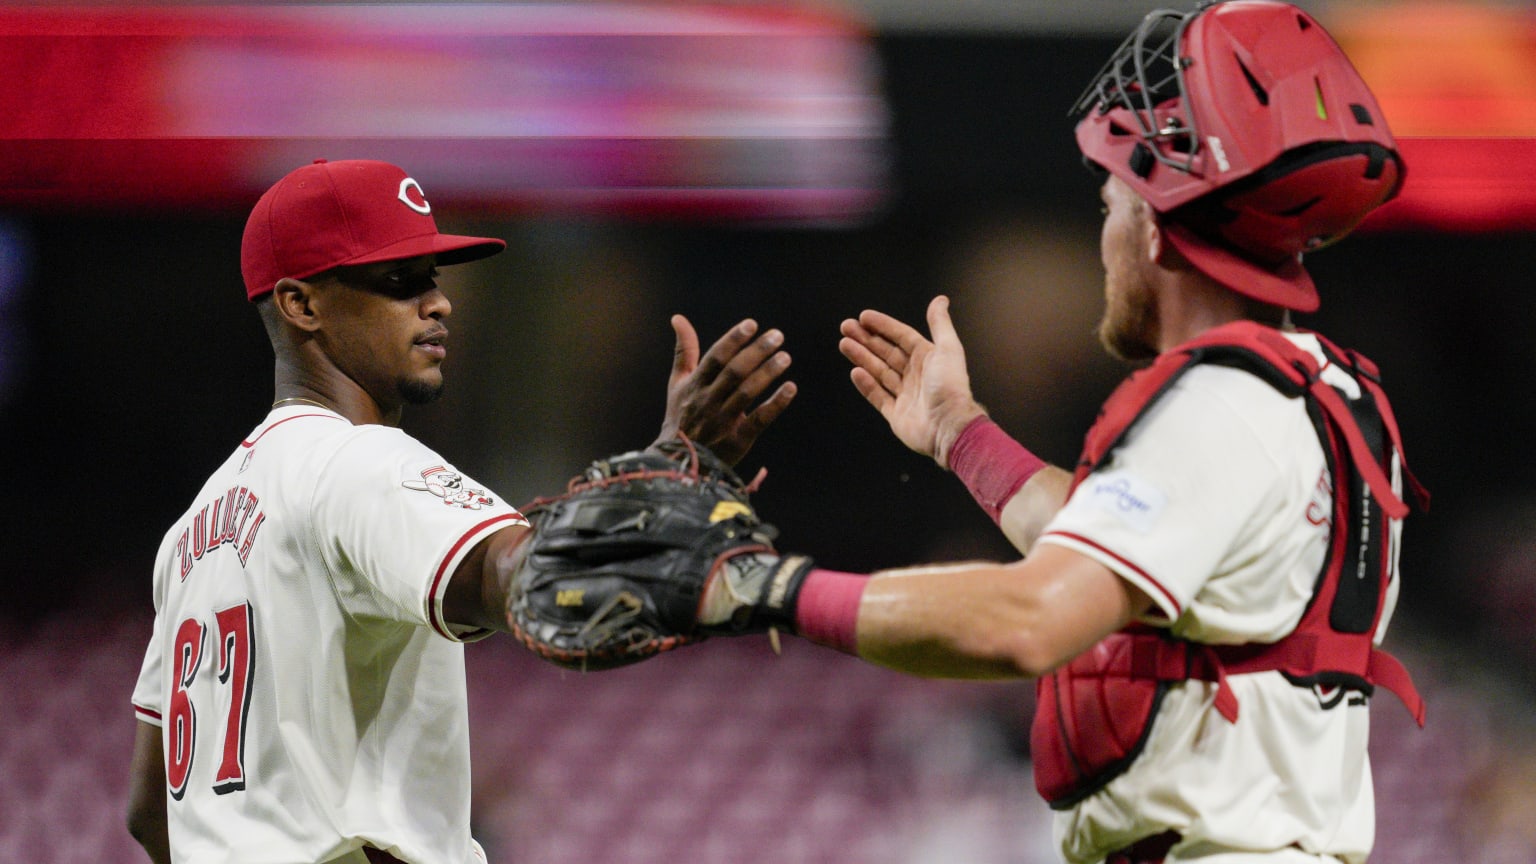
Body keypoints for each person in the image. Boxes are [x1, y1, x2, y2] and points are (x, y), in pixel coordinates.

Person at [692, 3, 1430, 862]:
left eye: (1112, 203)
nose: (1105, 236)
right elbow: (1111, 540)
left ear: (1153, 229)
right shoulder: (1319, 389)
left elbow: (1029, 620)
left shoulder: (1220, 403)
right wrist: (959, 433)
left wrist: (762, 590)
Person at [123, 157, 797, 863]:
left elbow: (149, 810)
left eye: (432, 279)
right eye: (397, 283)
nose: (437, 303)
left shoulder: (191, 533)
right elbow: (535, 583)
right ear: (302, 304)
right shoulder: (357, 461)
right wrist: (668, 477)